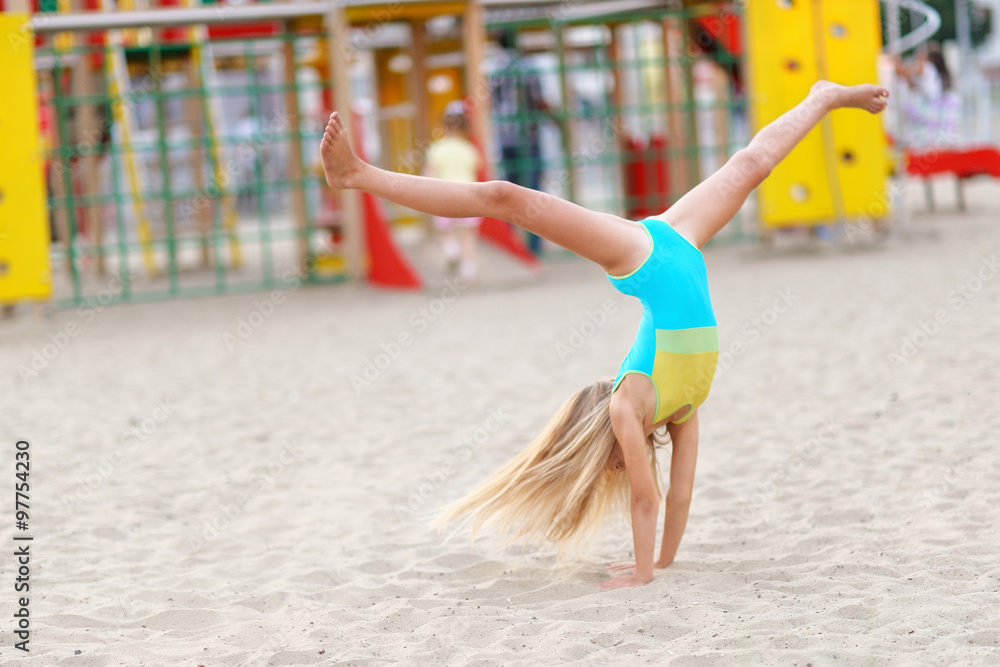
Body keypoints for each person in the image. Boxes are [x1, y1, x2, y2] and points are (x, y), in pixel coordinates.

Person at [320, 81, 889, 590]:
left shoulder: (626, 405)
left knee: (505, 199)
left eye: (614, 464)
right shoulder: (683, 407)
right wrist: (661, 565)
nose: (627, 467)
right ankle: (822, 97)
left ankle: (358, 176)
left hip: (642, 258)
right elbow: (678, 495)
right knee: (753, 163)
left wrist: (643, 574)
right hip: (678, 247)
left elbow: (649, 497)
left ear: (601, 448)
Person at [490, 29, 550, 256]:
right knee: (533, 192)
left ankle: (511, 244)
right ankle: (534, 246)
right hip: (527, 138)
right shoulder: (528, 68)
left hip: (505, 139)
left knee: (508, 193)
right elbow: (539, 102)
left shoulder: (495, 70)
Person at [424, 101, 484, 283]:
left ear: (444, 126)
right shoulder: (469, 149)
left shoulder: (437, 149)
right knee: (468, 236)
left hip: (445, 196)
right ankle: (469, 270)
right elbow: (475, 169)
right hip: (469, 195)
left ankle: (451, 248)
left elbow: (429, 175)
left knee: (445, 229)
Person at [894, 42, 960, 147]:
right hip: (933, 112)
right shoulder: (934, 72)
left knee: (922, 140)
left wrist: (895, 61)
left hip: (928, 111)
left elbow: (904, 72)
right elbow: (912, 83)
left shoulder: (926, 67)